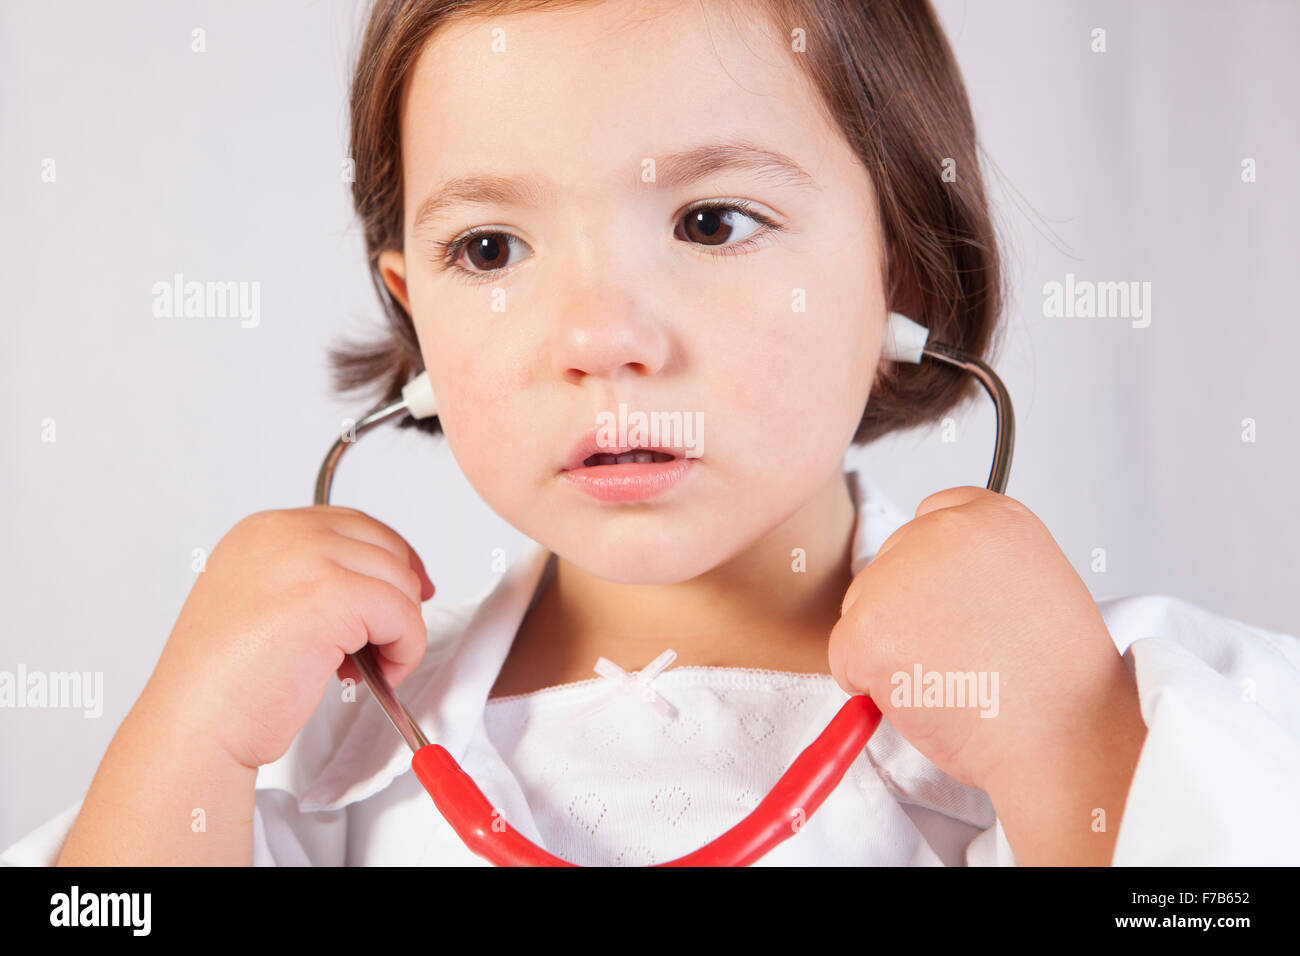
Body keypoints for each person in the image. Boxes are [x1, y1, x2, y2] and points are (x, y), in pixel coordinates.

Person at [6, 0, 1299, 866]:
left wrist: (1070, 742)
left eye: (711, 223)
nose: (599, 335)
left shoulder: (1146, 714)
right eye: (491, 247)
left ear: (899, 271)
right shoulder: (299, 769)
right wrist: (187, 736)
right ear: (416, 312)